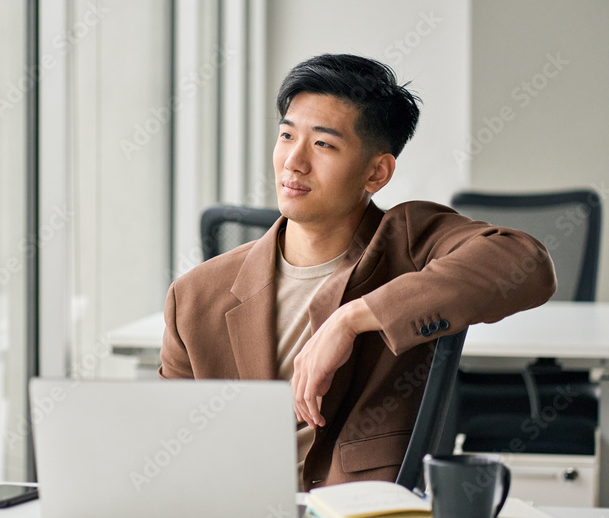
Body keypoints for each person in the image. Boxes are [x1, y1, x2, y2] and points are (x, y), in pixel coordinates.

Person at [158, 53, 556, 490]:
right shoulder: (195, 296)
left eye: (323, 144)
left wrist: (351, 320)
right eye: (287, 135)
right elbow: (169, 447)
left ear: (376, 172)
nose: (294, 161)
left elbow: (525, 260)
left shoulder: (410, 244)